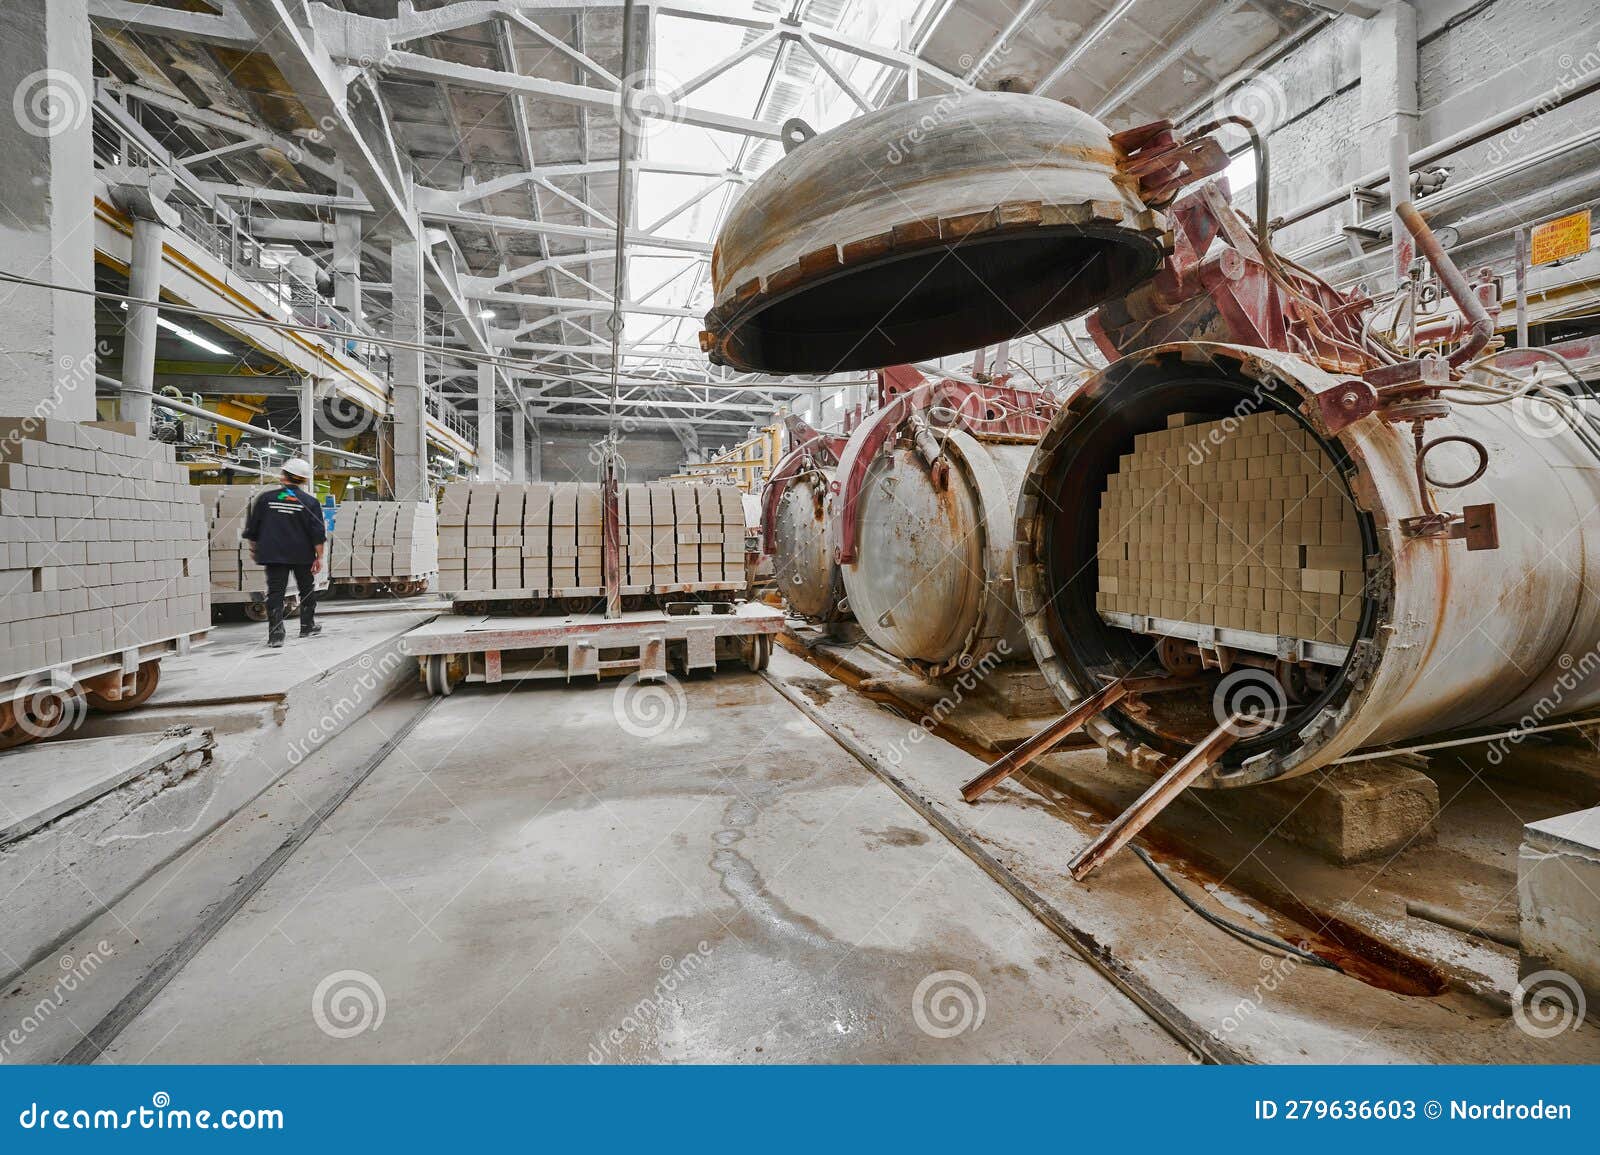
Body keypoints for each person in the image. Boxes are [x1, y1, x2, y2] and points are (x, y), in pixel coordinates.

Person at [242, 457, 326, 648]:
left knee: (276, 593)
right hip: (302, 554)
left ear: (283, 475)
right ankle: (307, 626)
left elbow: (253, 528)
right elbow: (317, 533)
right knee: (306, 589)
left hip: (274, 554)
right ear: (303, 479)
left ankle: (276, 635)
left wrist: (254, 549)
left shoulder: (266, 499)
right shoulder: (310, 502)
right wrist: (319, 557)